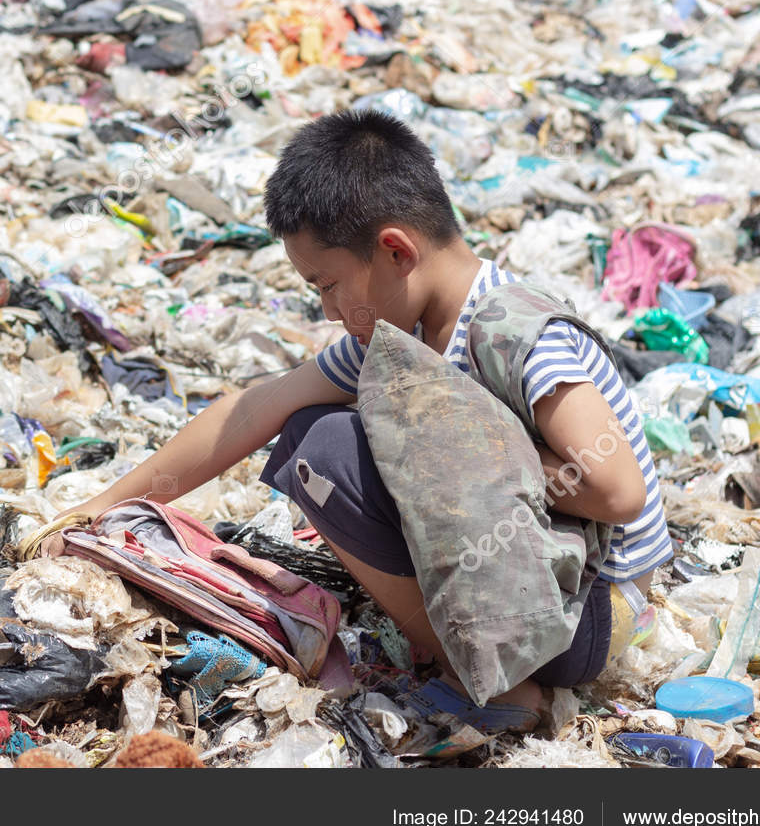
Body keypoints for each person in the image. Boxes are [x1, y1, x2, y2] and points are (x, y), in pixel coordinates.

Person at [45, 108, 671, 732]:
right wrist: (100, 508)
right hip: (525, 584)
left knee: (332, 453)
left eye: (328, 285)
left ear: (395, 250)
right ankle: (475, 654)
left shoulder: (519, 337)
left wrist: (462, 455)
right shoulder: (398, 338)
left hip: (588, 615)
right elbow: (256, 409)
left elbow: (618, 490)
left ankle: (504, 685)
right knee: (305, 436)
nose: (326, 309)